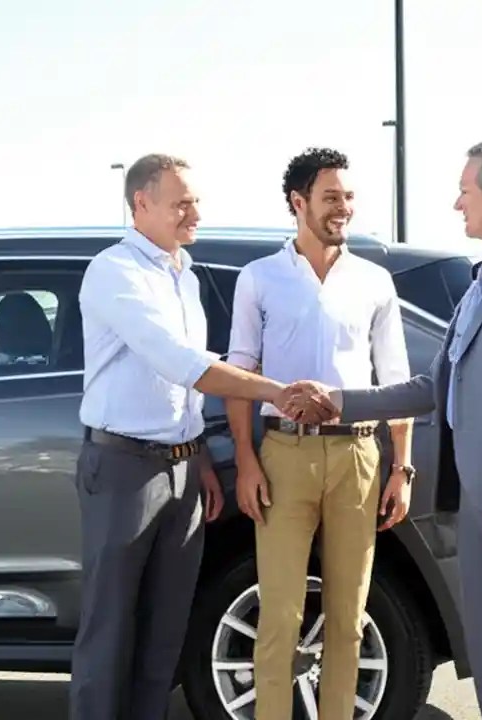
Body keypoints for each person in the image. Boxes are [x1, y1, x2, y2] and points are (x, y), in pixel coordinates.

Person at [286, 140, 482, 720]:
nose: (457, 204)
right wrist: (337, 402)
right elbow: (432, 388)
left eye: (466, 191)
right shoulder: (480, 283)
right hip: (477, 503)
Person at [70, 153, 332, 720]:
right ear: (141, 203)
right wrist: (275, 391)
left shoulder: (183, 273)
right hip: (124, 472)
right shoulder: (115, 271)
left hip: (183, 473)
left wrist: (201, 460)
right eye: (181, 201)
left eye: (196, 200)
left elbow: (186, 390)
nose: (195, 212)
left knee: (164, 633)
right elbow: (179, 362)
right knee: (110, 631)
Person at [222, 147, 415, 720]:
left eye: (349, 197)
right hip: (283, 454)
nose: (344, 209)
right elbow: (240, 374)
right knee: (278, 614)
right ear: (298, 202)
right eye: (332, 197)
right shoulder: (258, 279)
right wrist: (247, 461)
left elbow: (397, 382)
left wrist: (401, 467)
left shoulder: (375, 282)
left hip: (359, 457)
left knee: (349, 615)